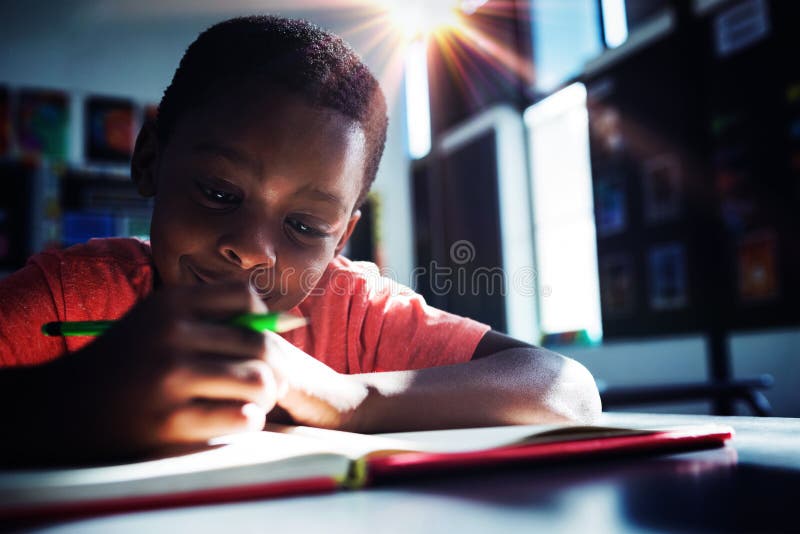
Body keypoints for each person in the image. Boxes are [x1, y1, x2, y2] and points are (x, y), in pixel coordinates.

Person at [0, 15, 600, 464]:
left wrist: (351, 399)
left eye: (306, 228)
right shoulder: (70, 296)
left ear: (341, 238)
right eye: (218, 192)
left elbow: (566, 389)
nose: (255, 248)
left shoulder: (356, 313)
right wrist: (79, 395)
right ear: (151, 159)